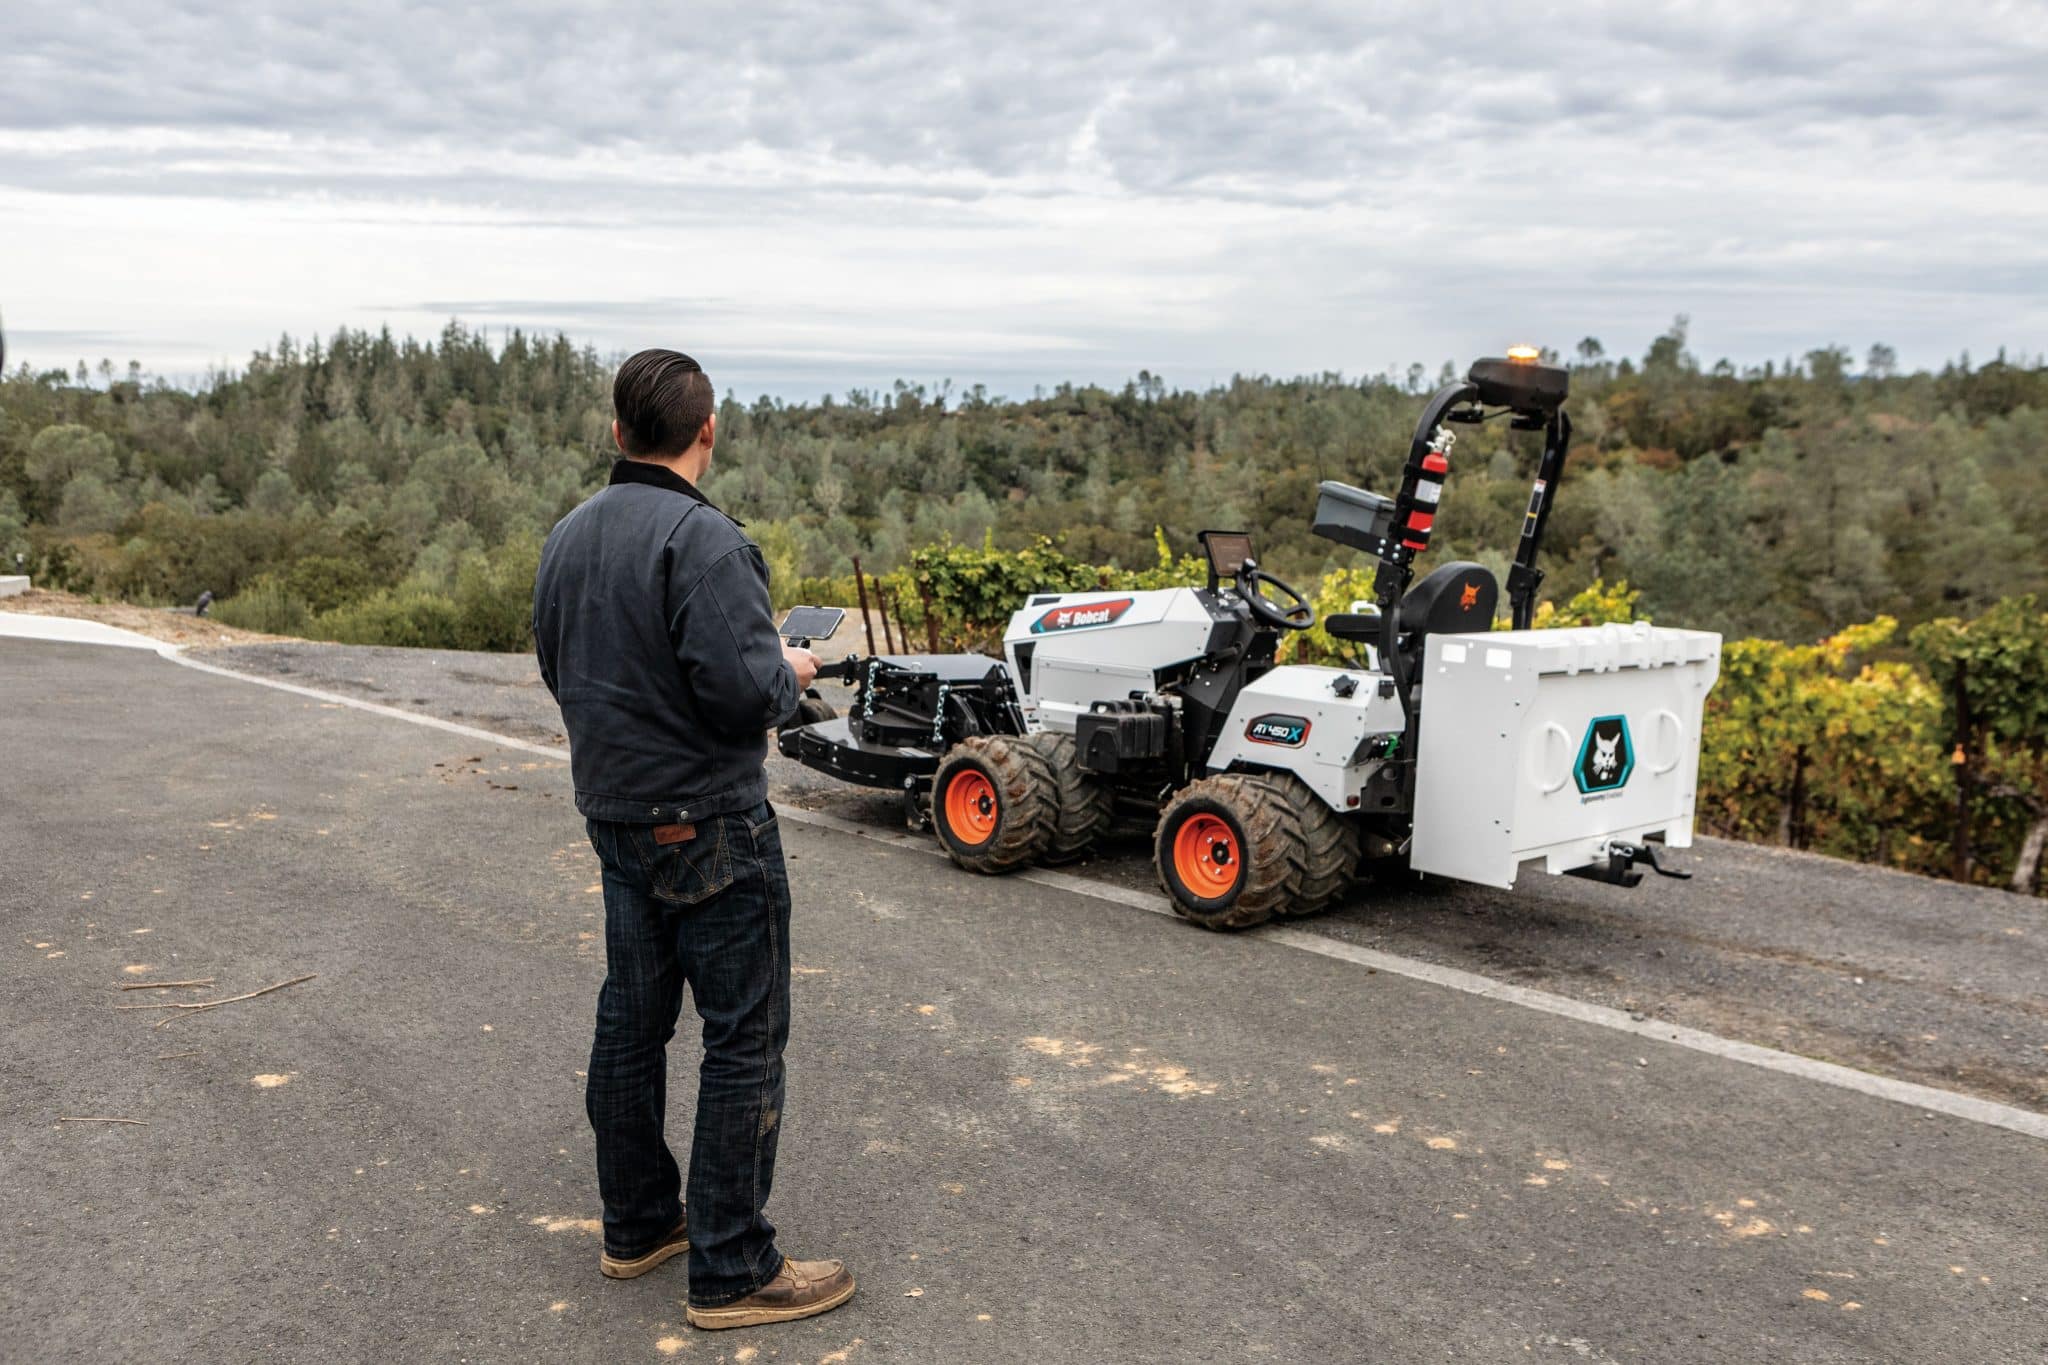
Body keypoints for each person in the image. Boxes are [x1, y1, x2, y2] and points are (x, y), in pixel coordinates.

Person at [531, 349, 852, 1330]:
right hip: (710, 826)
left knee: (631, 1023)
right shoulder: (707, 543)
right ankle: (730, 1267)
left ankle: (637, 1226)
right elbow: (739, 690)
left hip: (615, 819)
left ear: (619, 433)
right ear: (705, 433)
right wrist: (791, 667)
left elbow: (558, 664)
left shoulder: (570, 535)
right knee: (743, 1039)